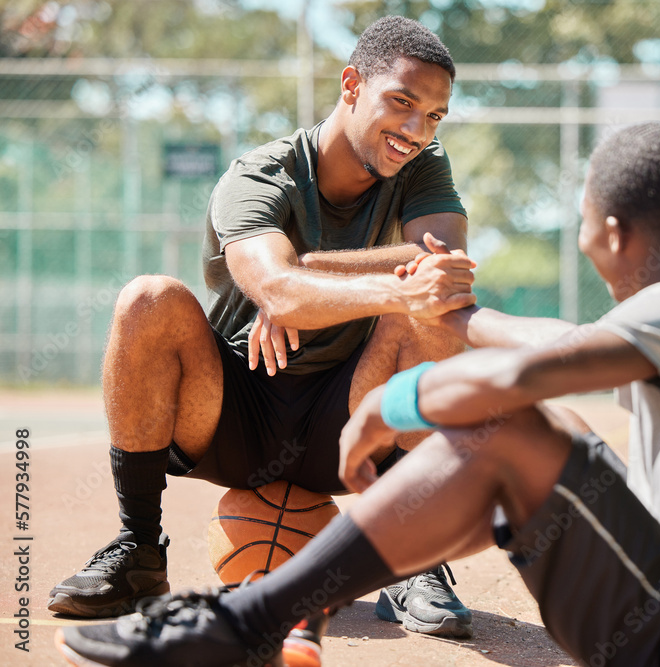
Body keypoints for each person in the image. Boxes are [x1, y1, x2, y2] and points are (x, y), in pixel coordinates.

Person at [56, 122, 660, 667]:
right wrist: (443, 310)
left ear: (613, 233)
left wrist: (394, 405)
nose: (582, 235)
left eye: (583, 219)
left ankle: (243, 619)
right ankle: (278, 603)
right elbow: (549, 340)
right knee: (519, 438)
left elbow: (534, 370)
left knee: (510, 428)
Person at [47, 13, 479, 658]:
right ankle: (138, 547)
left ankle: (414, 554)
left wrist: (309, 275)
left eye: (435, 117)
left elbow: (444, 262)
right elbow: (277, 291)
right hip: (239, 407)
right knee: (149, 298)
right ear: (352, 84)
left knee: (427, 310)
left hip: (349, 419)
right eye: (403, 103)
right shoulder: (261, 176)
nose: (417, 131)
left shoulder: (421, 167)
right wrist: (323, 284)